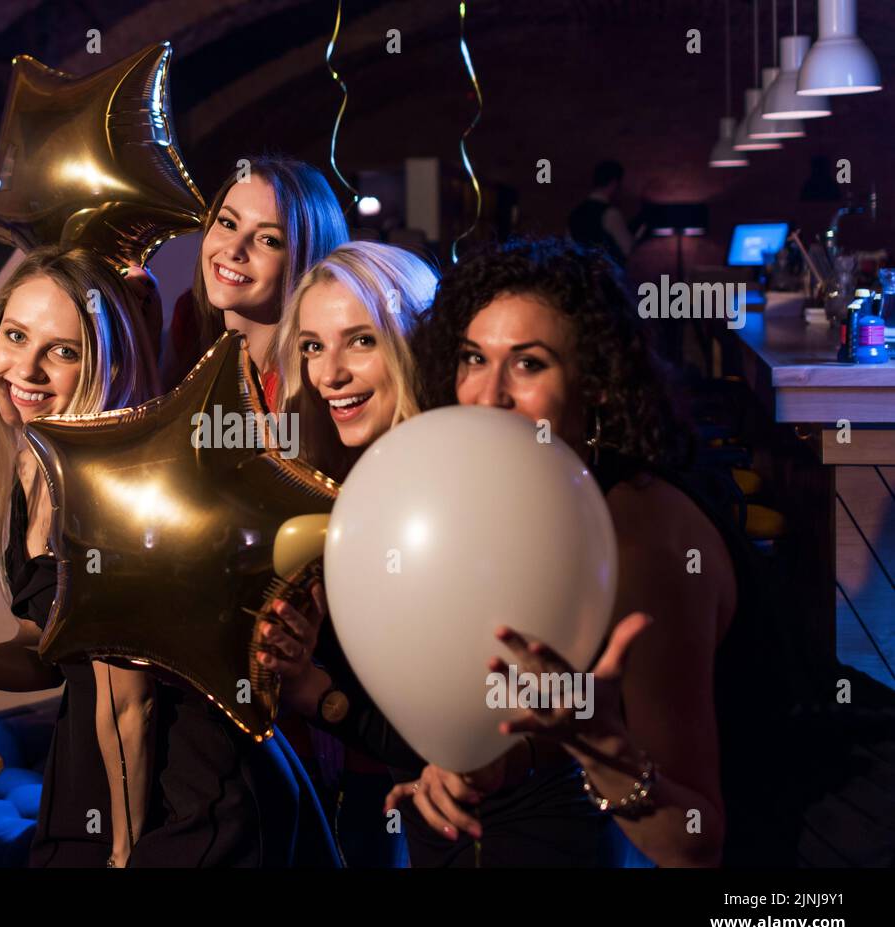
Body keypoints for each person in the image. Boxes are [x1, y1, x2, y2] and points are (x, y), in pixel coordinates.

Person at [0, 245, 336, 867]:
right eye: (16, 336)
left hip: (190, 793)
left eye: (63, 351)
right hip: (101, 771)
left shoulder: (113, 487)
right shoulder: (30, 463)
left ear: (102, 363)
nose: (27, 370)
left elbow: (131, 704)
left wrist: (121, 854)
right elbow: (57, 652)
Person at [395, 236, 769, 867]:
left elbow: (694, 840)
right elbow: (567, 712)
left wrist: (596, 743)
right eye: (472, 358)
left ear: (595, 384)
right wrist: (490, 763)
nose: (488, 395)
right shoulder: (540, 498)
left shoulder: (642, 543)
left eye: (529, 364)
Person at [261, 241, 447, 866]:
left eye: (361, 340)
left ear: (414, 340)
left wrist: (314, 692)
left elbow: (459, 732)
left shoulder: (444, 492)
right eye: (312, 346)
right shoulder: (351, 479)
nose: (329, 373)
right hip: (357, 794)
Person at [161, 155, 350, 402]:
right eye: (228, 223)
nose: (234, 250)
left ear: (307, 263)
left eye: (269, 240)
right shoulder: (190, 319)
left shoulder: (307, 386)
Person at [566, 160, 642, 268]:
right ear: (614, 183)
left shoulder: (575, 213)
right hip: (608, 277)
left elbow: (569, 248)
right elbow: (629, 251)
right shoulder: (611, 214)